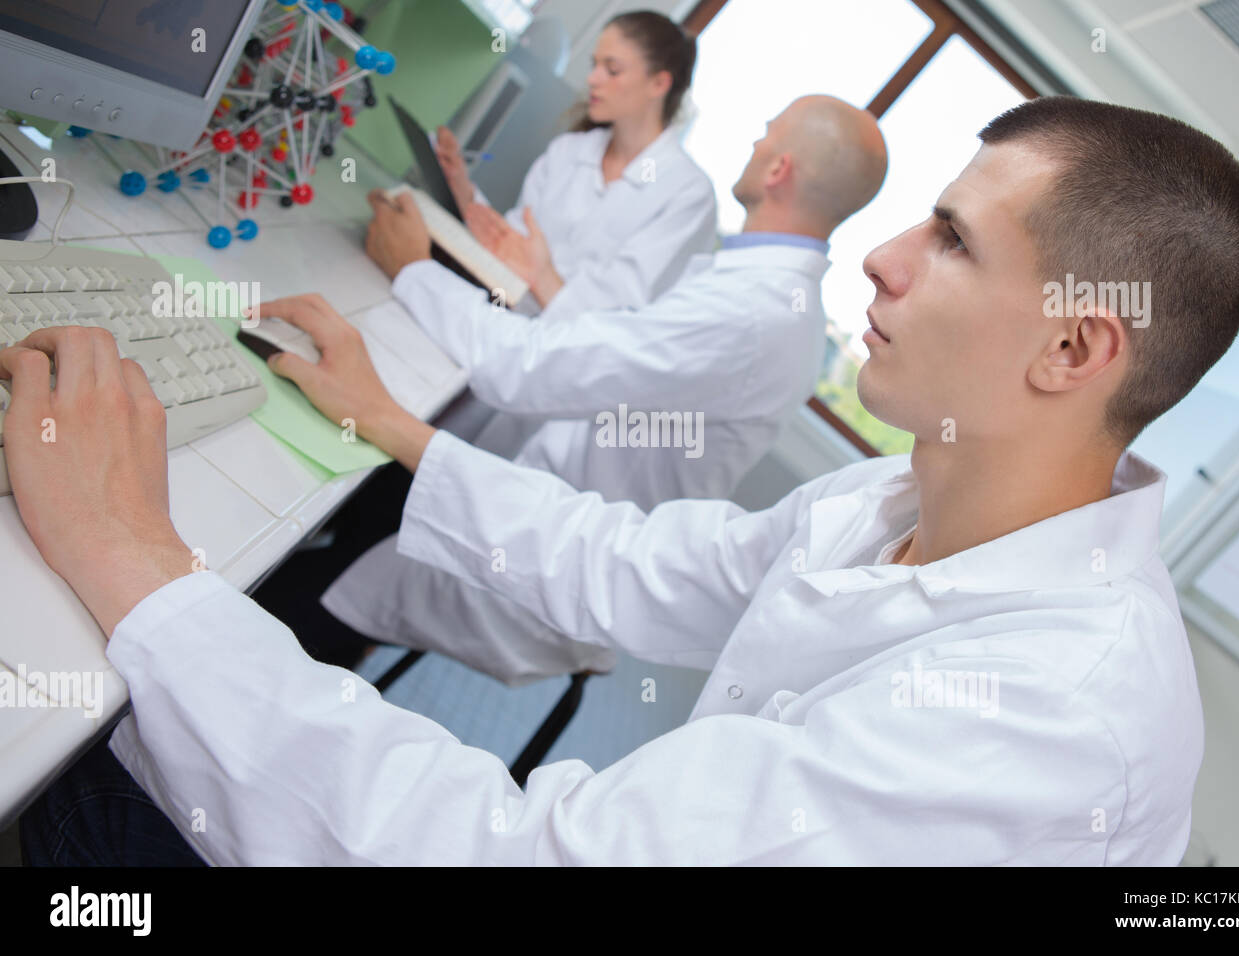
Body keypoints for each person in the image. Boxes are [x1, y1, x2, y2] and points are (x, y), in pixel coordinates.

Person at [9, 96, 1239, 865]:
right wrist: (395, 421)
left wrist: (134, 556)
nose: (878, 260)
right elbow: (632, 563)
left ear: (1074, 346)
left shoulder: (1049, 721)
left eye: (949, 240)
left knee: (91, 786)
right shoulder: (887, 502)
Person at [320, 95, 888, 684]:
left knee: (306, 589)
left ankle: (326, 641)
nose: (754, 143)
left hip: (560, 558)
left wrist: (414, 269)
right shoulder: (761, 294)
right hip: (556, 503)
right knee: (380, 496)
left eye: (767, 133)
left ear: (778, 170)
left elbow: (529, 369)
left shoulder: (751, 312)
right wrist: (540, 273)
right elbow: (612, 351)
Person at [365, 9, 718, 321]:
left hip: (556, 359)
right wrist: (461, 189)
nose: (593, 79)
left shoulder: (686, 193)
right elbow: (514, 244)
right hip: (496, 314)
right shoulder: (569, 151)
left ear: (659, 83)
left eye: (612, 70)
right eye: (594, 65)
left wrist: (541, 274)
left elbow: (617, 323)